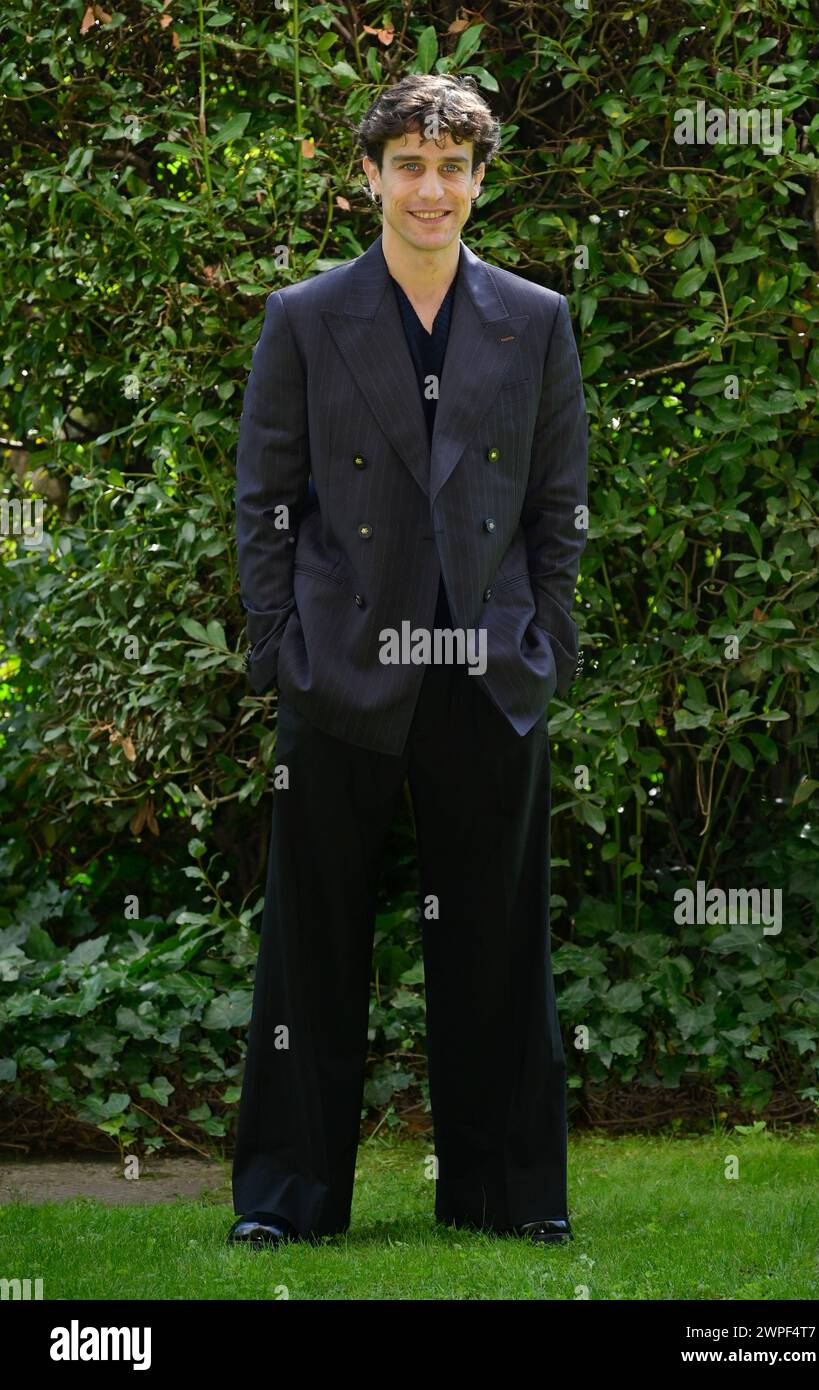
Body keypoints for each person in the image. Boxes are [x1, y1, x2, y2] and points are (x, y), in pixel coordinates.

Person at [228, 73, 588, 1248]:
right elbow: (265, 499)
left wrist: (546, 639)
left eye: (451, 168)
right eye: (407, 166)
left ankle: (507, 1195)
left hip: (485, 670)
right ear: (371, 176)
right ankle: (287, 1199)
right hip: (341, 667)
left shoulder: (532, 320)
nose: (428, 188)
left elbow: (556, 501)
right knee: (310, 948)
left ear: (479, 182)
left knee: (495, 943)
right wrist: (282, 649)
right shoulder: (304, 316)